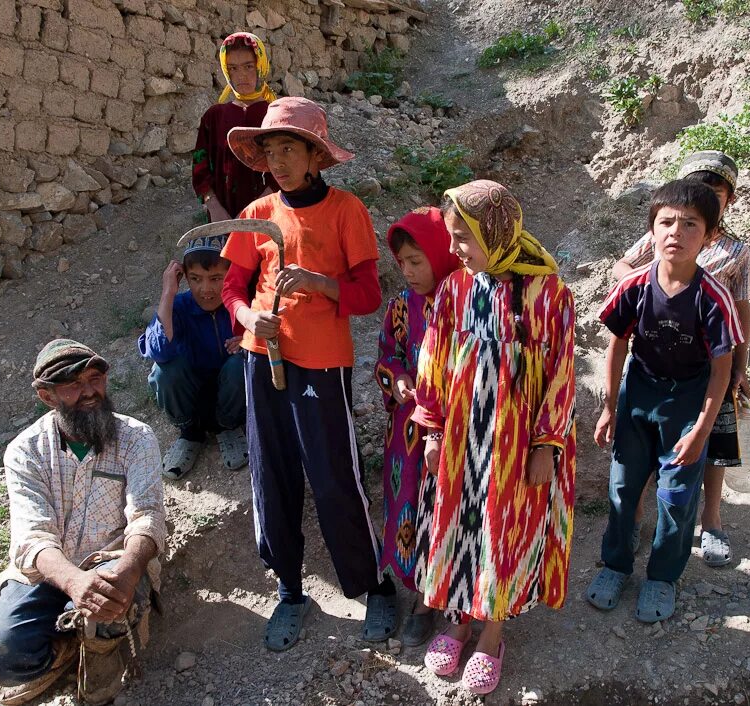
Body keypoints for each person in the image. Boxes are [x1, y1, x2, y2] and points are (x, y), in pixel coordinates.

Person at [220, 96, 396, 651]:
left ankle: (374, 588)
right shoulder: (255, 215)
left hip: (321, 361)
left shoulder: (346, 210)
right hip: (260, 355)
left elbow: (369, 294)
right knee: (271, 475)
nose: (278, 160)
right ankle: (290, 590)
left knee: (333, 475)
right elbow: (231, 288)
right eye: (270, 149)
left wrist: (320, 284)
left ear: (315, 155)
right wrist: (250, 316)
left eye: (289, 148)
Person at [414, 180, 576, 695]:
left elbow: (560, 372)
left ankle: (492, 633)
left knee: (504, 528)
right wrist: (433, 430)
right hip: (463, 437)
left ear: (498, 232)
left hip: (515, 442)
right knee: (461, 522)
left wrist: (547, 444)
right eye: (453, 236)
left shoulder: (548, 294)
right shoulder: (453, 289)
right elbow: (433, 363)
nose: (455, 249)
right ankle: (460, 620)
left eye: (465, 237)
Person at [0, 339, 166, 706]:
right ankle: (64, 653)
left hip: (110, 563)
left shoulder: (136, 438)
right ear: (47, 396)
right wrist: (74, 581)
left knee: (109, 601)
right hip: (48, 573)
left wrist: (128, 569)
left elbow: (148, 517)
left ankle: (101, 650)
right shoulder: (25, 451)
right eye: (73, 385)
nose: (90, 392)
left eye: (95, 378)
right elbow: (33, 537)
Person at [587, 180, 744, 625]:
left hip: (688, 403)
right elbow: (618, 342)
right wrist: (609, 407)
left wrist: (701, 429)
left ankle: (662, 577)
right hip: (638, 393)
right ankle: (616, 565)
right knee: (622, 487)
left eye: (690, 224)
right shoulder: (634, 286)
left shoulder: (714, 298)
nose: (676, 231)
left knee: (676, 497)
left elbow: (721, 370)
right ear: (651, 231)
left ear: (710, 236)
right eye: (666, 222)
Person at [611, 151, 750, 567]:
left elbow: (742, 308)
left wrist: (740, 367)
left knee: (712, 442)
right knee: (640, 449)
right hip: (655, 358)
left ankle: (711, 521)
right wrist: (645, 293)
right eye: (697, 185)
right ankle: (633, 520)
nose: (704, 195)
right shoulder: (667, 230)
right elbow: (624, 265)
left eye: (715, 190)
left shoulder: (734, 251)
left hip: (708, 364)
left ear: (729, 199)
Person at [375, 207, 461, 647]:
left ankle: (452, 600)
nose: (408, 271)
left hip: (456, 428)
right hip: (407, 435)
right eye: (403, 262)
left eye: (417, 260)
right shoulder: (399, 308)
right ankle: (423, 596)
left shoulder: (468, 302)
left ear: (442, 252)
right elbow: (385, 357)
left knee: (449, 508)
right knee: (411, 503)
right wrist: (399, 378)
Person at [139, 234, 248, 477]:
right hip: (192, 394)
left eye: (216, 278)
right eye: (195, 279)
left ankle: (228, 427)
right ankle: (190, 434)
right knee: (165, 370)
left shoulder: (242, 304)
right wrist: (168, 292)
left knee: (242, 363)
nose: (205, 289)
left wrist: (249, 341)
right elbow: (158, 351)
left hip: (232, 396)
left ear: (230, 275)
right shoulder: (178, 307)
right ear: (185, 278)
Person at [192, 32, 278, 222]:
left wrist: (250, 215)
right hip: (222, 221)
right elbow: (200, 168)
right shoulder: (214, 116)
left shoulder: (277, 114)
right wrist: (214, 209)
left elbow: (284, 170)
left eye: (248, 66)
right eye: (233, 68)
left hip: (269, 218)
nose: (241, 75)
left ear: (260, 66)